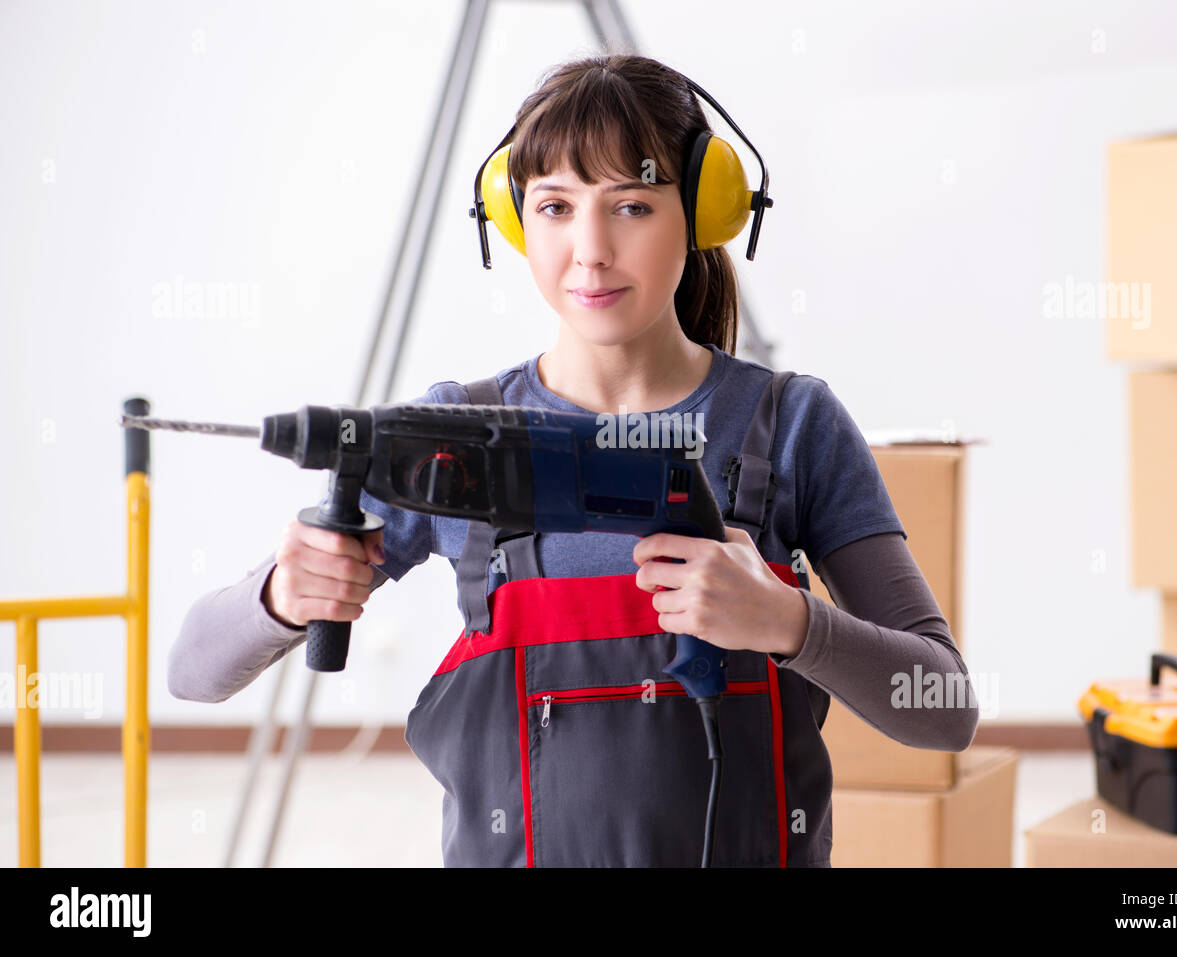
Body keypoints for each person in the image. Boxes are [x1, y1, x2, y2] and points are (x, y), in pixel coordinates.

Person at [169, 53, 979, 867]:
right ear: (517, 220)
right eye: (555, 206)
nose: (589, 251)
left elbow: (944, 707)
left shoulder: (793, 423)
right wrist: (278, 595)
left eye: (631, 204)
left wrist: (787, 621)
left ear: (701, 212)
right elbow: (192, 671)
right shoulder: (459, 433)